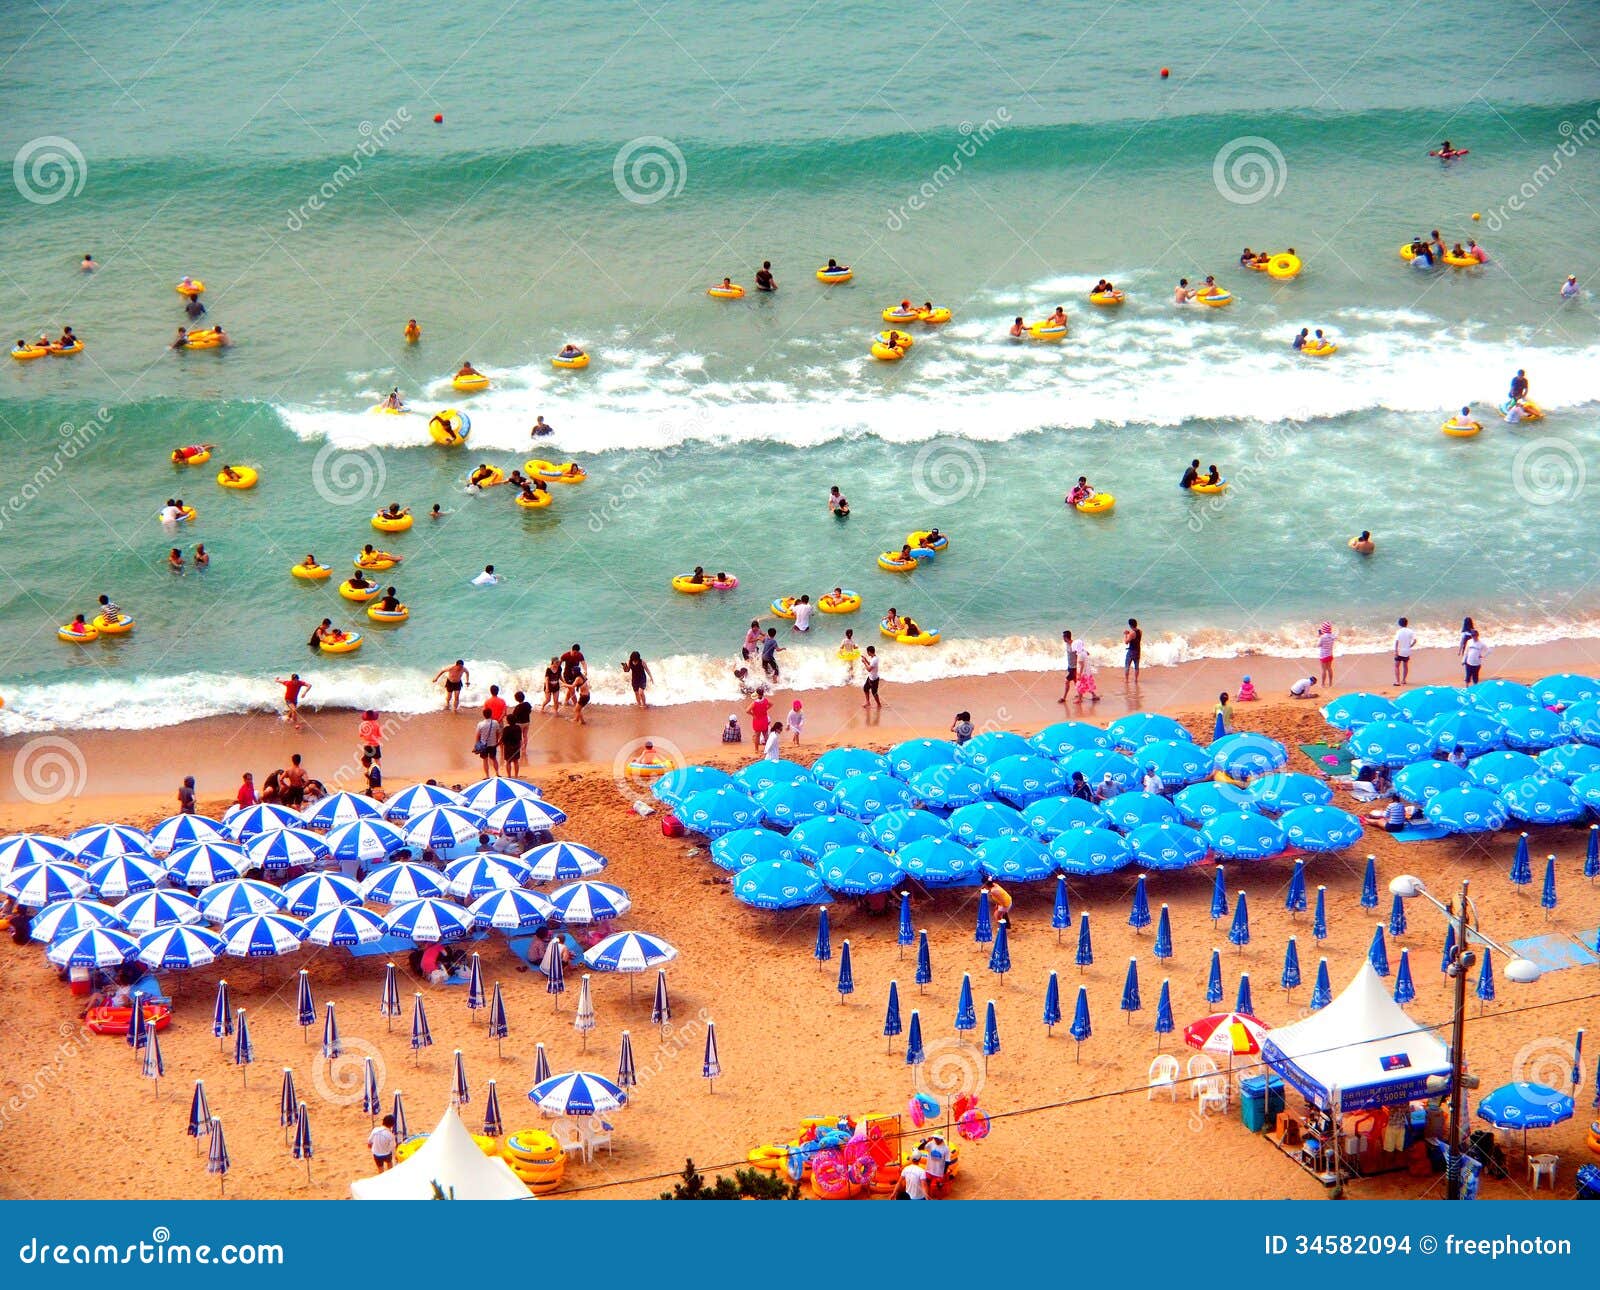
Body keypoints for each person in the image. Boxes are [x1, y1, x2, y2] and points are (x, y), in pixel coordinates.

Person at [503, 690, 531, 776]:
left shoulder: (517, 708)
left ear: (516, 699)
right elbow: (530, 711)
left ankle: (521, 748)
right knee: (525, 735)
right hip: (527, 722)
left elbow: (514, 717)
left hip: (520, 724)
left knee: (520, 737)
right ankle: (524, 750)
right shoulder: (527, 704)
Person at [473, 705, 502, 776]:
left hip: (483, 745)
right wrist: (497, 741)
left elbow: (477, 736)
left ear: (483, 715)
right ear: (491, 714)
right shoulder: (495, 723)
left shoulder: (480, 724)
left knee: (485, 760)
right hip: (493, 744)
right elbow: (498, 733)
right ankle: (497, 774)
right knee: (494, 759)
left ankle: (487, 775)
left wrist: (476, 745)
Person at [1394, 616, 1416, 685]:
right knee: (1405, 666)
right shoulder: (1410, 631)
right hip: (1407, 651)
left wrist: (1396, 651)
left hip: (1400, 651)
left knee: (1396, 666)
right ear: (1407, 623)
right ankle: (1403, 680)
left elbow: (1396, 641)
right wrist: (1410, 646)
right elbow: (1415, 640)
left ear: (1399, 624)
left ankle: (1397, 681)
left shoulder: (1399, 631)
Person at [1058, 629, 1078, 702]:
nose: (1062, 638)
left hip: (1074, 667)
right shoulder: (1067, 644)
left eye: (1063, 637)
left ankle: (1064, 697)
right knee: (1076, 681)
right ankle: (1092, 694)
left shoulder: (1074, 645)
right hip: (1070, 666)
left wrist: (1079, 667)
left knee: (1067, 681)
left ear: (1066, 637)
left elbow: (1079, 654)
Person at [1316, 621, 1336, 687]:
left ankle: (1323, 684)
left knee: (1324, 670)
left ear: (1323, 629)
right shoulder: (1333, 636)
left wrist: (1319, 636)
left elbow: (1318, 645)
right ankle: (1330, 683)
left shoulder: (1322, 637)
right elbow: (1331, 638)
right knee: (1329, 668)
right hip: (1330, 655)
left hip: (1323, 656)